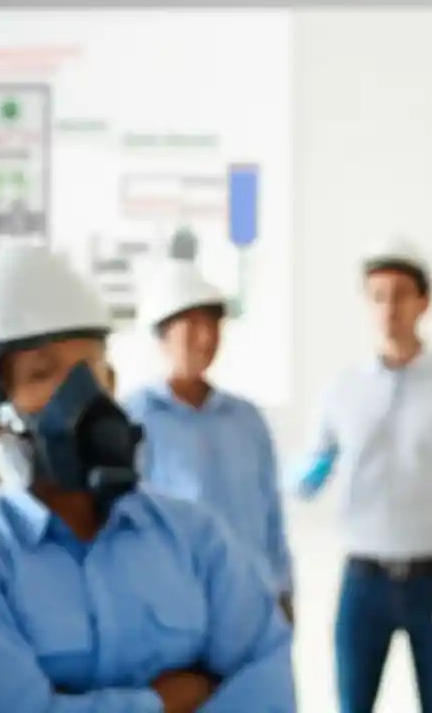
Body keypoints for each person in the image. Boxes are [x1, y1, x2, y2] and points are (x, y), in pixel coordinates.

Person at [0, 245, 295, 712]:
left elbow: (267, 691)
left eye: (89, 367)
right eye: (42, 372)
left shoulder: (195, 538)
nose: (80, 394)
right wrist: (166, 700)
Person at [293, 236, 432, 713]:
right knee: (352, 704)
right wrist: (302, 474)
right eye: (378, 296)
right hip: (365, 578)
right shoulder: (343, 389)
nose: (389, 308)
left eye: (401, 294)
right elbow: (307, 475)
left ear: (423, 301)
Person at [122, 260, 295, 623]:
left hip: (253, 602)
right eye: (192, 326)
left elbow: (270, 514)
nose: (205, 338)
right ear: (163, 335)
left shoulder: (247, 419)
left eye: (212, 325)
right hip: (176, 607)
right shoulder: (134, 420)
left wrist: (284, 590)